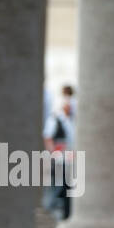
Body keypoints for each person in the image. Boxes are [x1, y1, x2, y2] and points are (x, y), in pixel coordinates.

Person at [42, 84, 76, 220]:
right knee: (56, 187)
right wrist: (54, 155)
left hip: (71, 160)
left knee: (68, 189)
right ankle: (48, 212)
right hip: (59, 160)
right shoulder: (55, 118)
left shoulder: (73, 119)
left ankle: (65, 215)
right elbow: (48, 137)